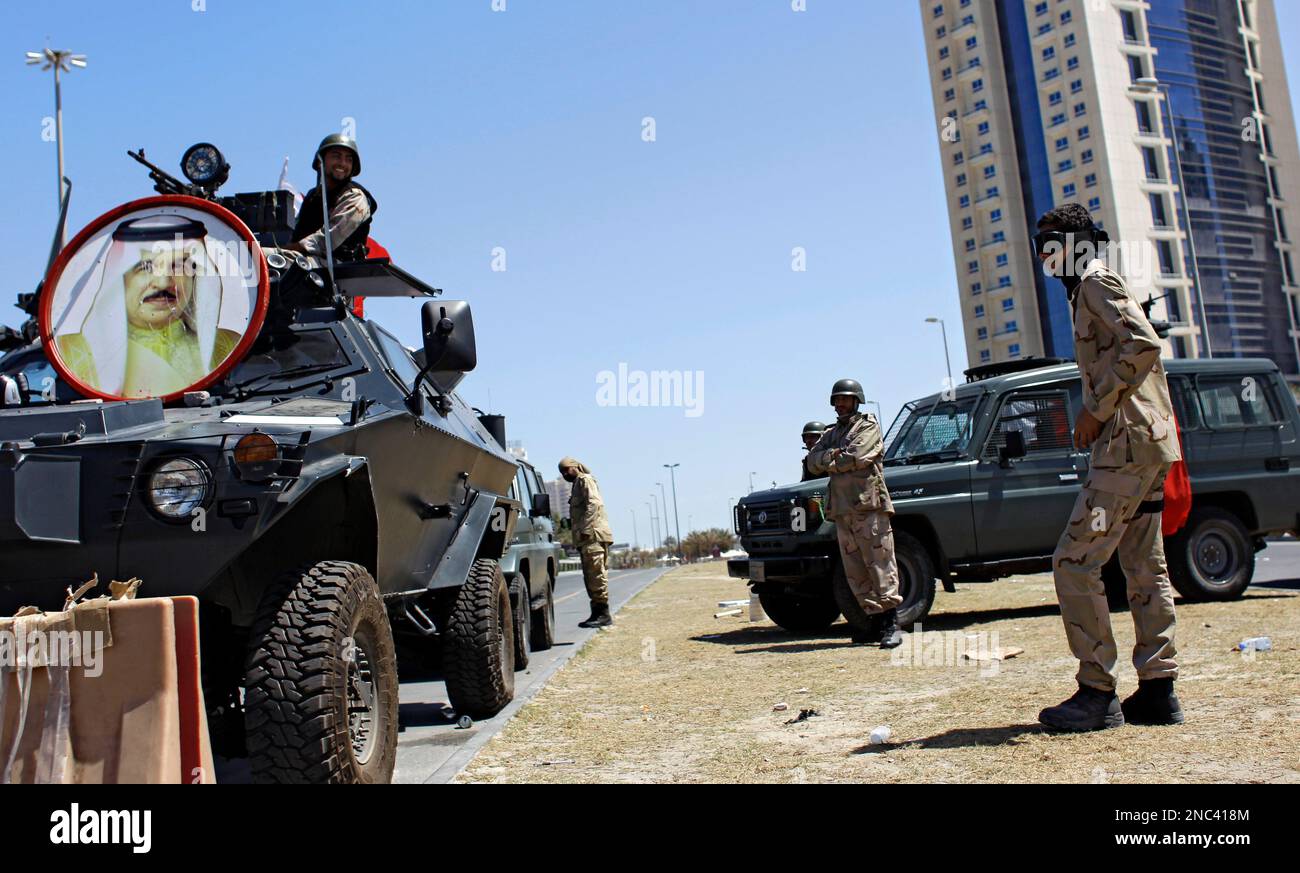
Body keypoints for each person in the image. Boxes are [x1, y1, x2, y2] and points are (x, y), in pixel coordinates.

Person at [1033, 202, 1183, 732]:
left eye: (1053, 242)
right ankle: (1159, 692)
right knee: (1144, 566)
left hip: (1125, 447)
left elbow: (1142, 342)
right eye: (1041, 243)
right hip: (1141, 445)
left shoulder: (1097, 282)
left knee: (1074, 562)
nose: (1045, 253)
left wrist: (1094, 410)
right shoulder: (1088, 288)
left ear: (1076, 244)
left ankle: (1097, 693)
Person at [57, 216, 241, 398]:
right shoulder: (72, 351)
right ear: (119, 279)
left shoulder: (226, 345)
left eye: (177, 267)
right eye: (145, 268)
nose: (162, 283)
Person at [805, 380, 903, 648]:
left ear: (856, 400)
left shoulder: (868, 425)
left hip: (868, 507)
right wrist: (834, 457)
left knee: (880, 564)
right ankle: (873, 623)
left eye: (845, 399)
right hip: (843, 510)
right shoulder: (832, 432)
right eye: (837, 400)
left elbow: (857, 456)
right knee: (856, 571)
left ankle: (892, 623)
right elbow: (812, 462)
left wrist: (831, 459)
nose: (840, 404)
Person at [285, 134, 378, 263]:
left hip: (339, 270)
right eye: (336, 156)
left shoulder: (354, 196)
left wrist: (288, 249)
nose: (342, 163)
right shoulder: (313, 196)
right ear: (320, 161)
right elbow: (296, 233)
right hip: (307, 262)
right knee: (255, 253)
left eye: (349, 159)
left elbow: (326, 241)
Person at [559, 457, 615, 628]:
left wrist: (585, 529)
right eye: (562, 472)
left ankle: (603, 615)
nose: (564, 475)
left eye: (566, 470)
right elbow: (583, 511)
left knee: (596, 576)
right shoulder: (576, 484)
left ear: (575, 467)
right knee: (590, 577)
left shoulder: (585, 480)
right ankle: (597, 613)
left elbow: (594, 505)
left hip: (593, 537)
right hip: (587, 539)